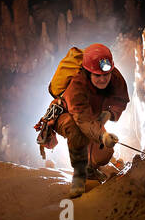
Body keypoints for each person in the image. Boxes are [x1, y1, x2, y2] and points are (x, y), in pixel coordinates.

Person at [54, 43, 129, 198]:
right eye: (97, 76)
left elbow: (120, 100)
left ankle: (91, 168)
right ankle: (80, 175)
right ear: (88, 73)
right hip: (67, 116)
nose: (102, 80)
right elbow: (82, 119)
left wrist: (109, 114)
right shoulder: (77, 84)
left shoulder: (115, 77)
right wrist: (102, 135)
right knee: (76, 131)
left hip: (92, 118)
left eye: (105, 75)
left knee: (104, 153)